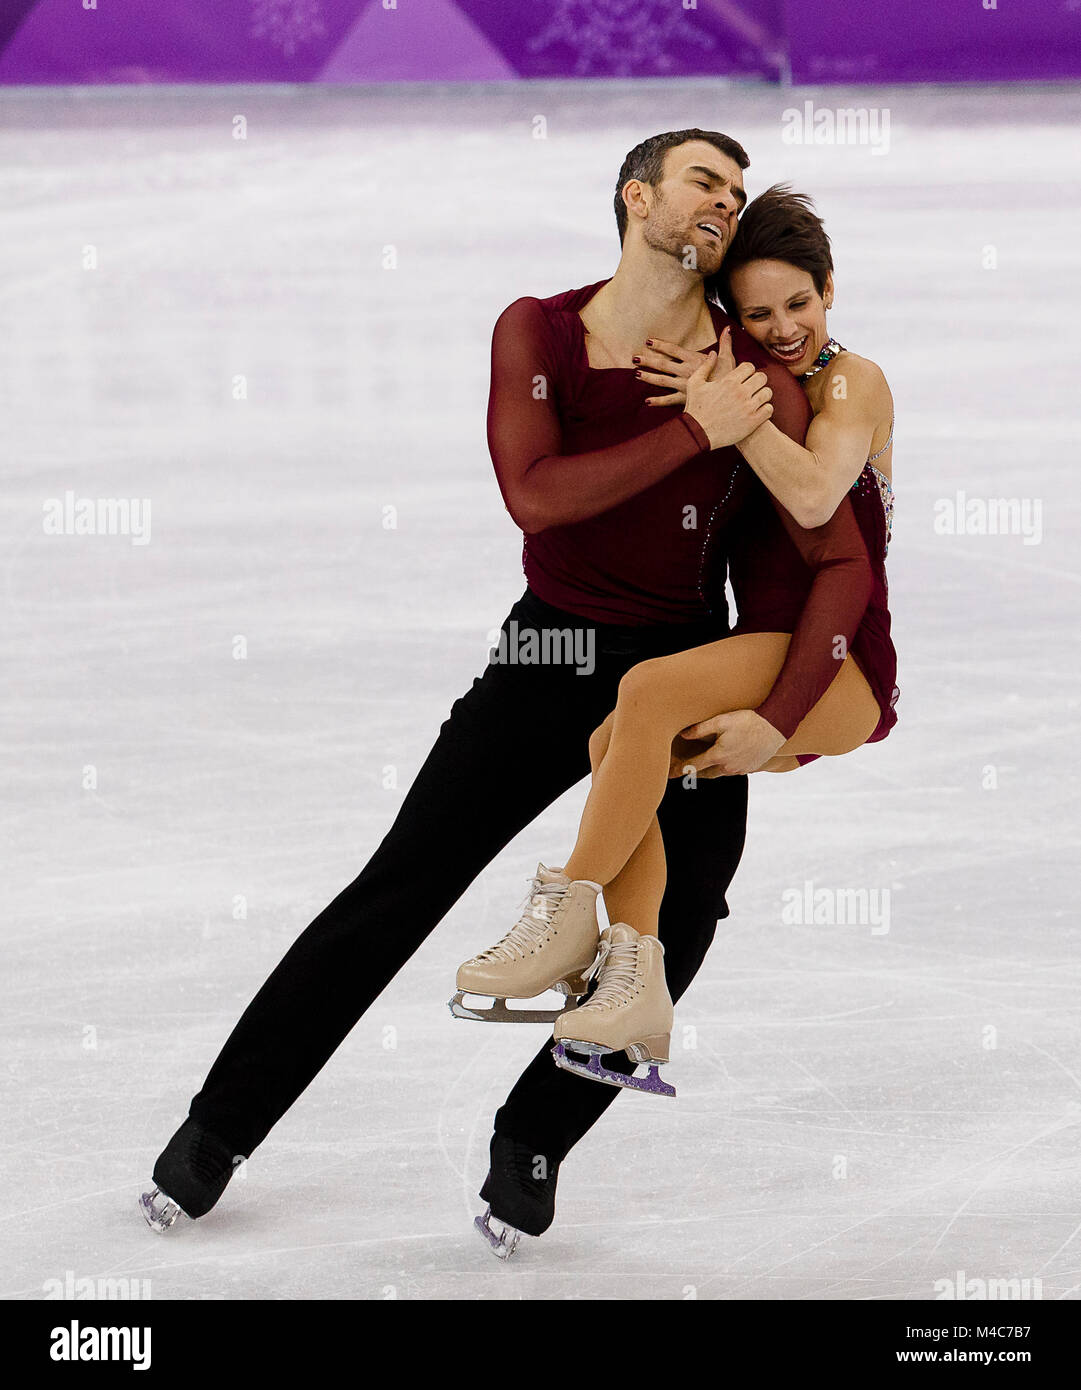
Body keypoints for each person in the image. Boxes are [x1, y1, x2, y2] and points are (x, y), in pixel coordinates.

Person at [137, 131, 863, 1258]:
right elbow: (534, 496)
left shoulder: (749, 368)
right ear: (637, 197)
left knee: (680, 922)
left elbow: (829, 531)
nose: (725, 200)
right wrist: (688, 430)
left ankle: (534, 1137)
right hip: (548, 657)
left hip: (677, 664)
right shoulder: (539, 328)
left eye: (735, 187)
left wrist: (793, 699)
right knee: (403, 884)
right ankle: (217, 1127)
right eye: (702, 181)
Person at [452, 188, 899, 1164]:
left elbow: (822, 498)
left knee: (644, 695)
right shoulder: (744, 375)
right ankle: (634, 988)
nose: (780, 330)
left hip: (836, 657)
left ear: (830, 292)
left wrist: (723, 420)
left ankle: (569, 913)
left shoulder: (848, 384)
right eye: (757, 313)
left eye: (798, 304)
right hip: (769, 643)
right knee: (621, 742)